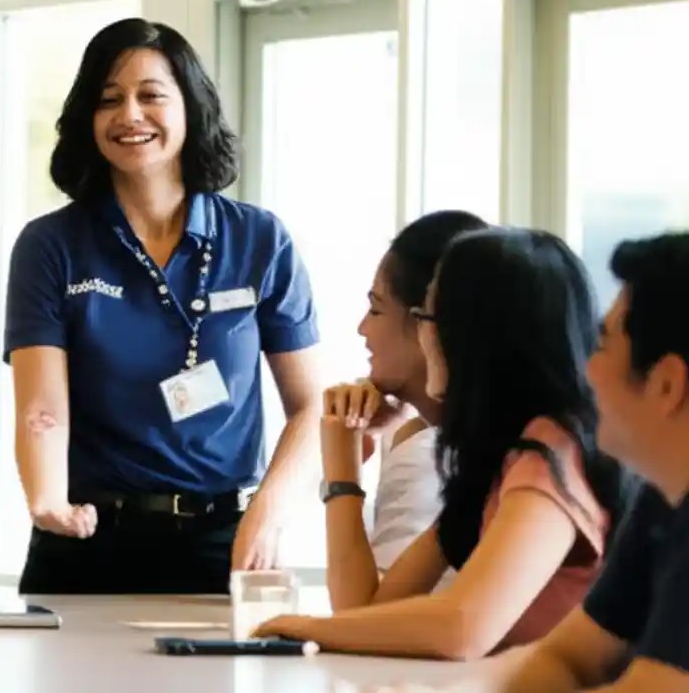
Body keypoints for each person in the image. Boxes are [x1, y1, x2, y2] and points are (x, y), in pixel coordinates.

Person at [4, 17, 322, 594]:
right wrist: (47, 500)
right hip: (86, 538)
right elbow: (42, 405)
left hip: (222, 541)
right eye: (109, 100)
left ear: (190, 108)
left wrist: (268, 511)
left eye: (151, 95)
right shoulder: (51, 245)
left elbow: (310, 406)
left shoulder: (259, 240)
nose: (129, 115)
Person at [253, 227, 635, 659]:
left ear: (472, 337)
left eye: (429, 319)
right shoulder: (500, 460)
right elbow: (371, 611)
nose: (424, 334)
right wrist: (343, 468)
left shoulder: (551, 456)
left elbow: (461, 628)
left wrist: (302, 626)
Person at [503, 233, 689, 692]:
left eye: (604, 345)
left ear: (666, 385)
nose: (589, 369)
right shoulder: (662, 500)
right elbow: (566, 656)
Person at [319, 211, 486, 610]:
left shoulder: (457, 451)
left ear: (429, 325)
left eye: (376, 309)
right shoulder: (420, 434)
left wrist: (341, 471)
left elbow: (359, 613)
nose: (363, 329)